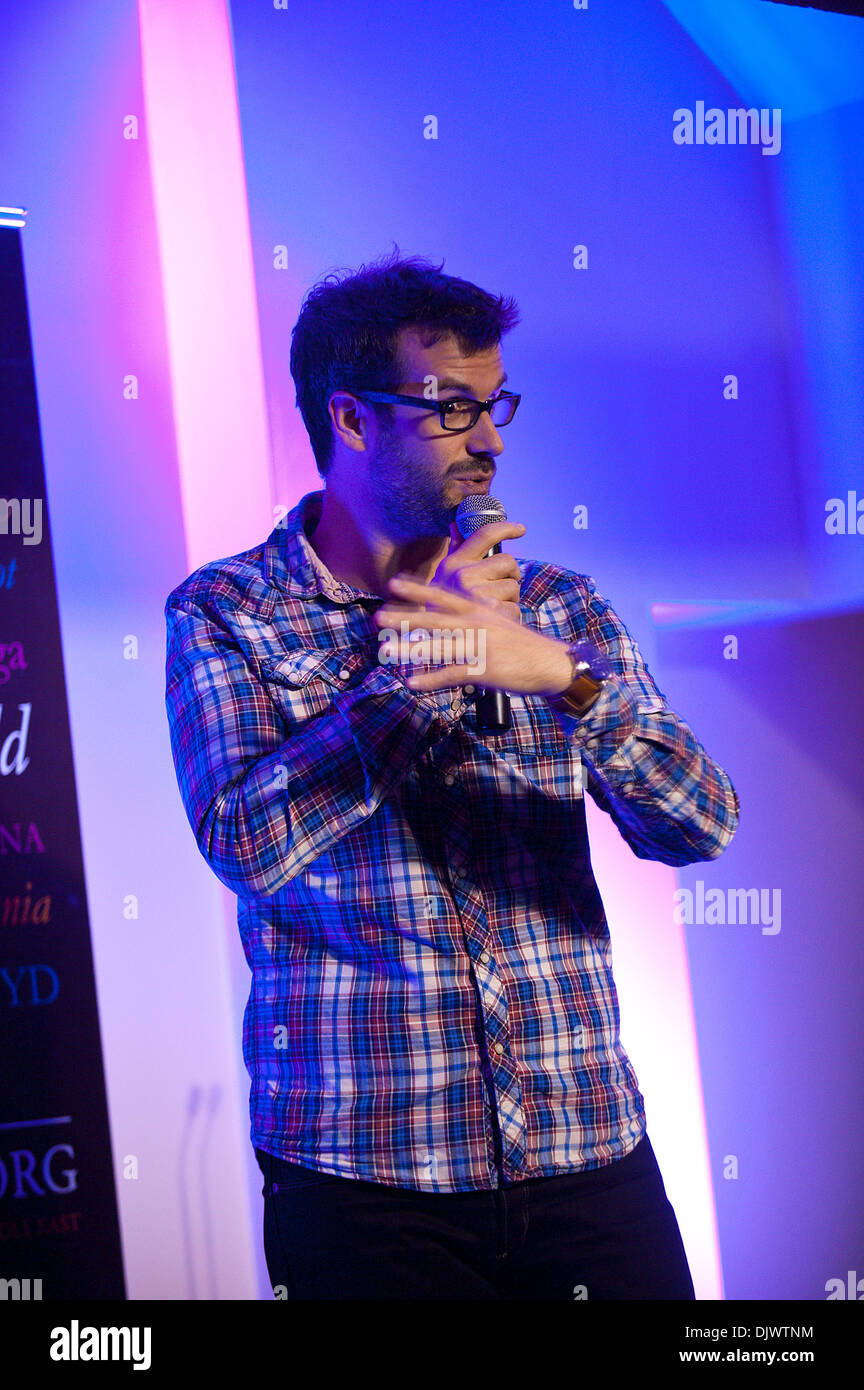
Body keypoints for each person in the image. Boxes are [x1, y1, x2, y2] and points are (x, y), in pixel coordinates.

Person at [164, 250, 739, 1301]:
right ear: (351, 420)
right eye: (451, 409)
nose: (489, 438)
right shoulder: (226, 613)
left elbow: (700, 824)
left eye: (493, 403)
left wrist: (563, 678)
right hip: (367, 1189)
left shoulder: (559, 609)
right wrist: (426, 666)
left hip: (589, 1158)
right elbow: (245, 843)